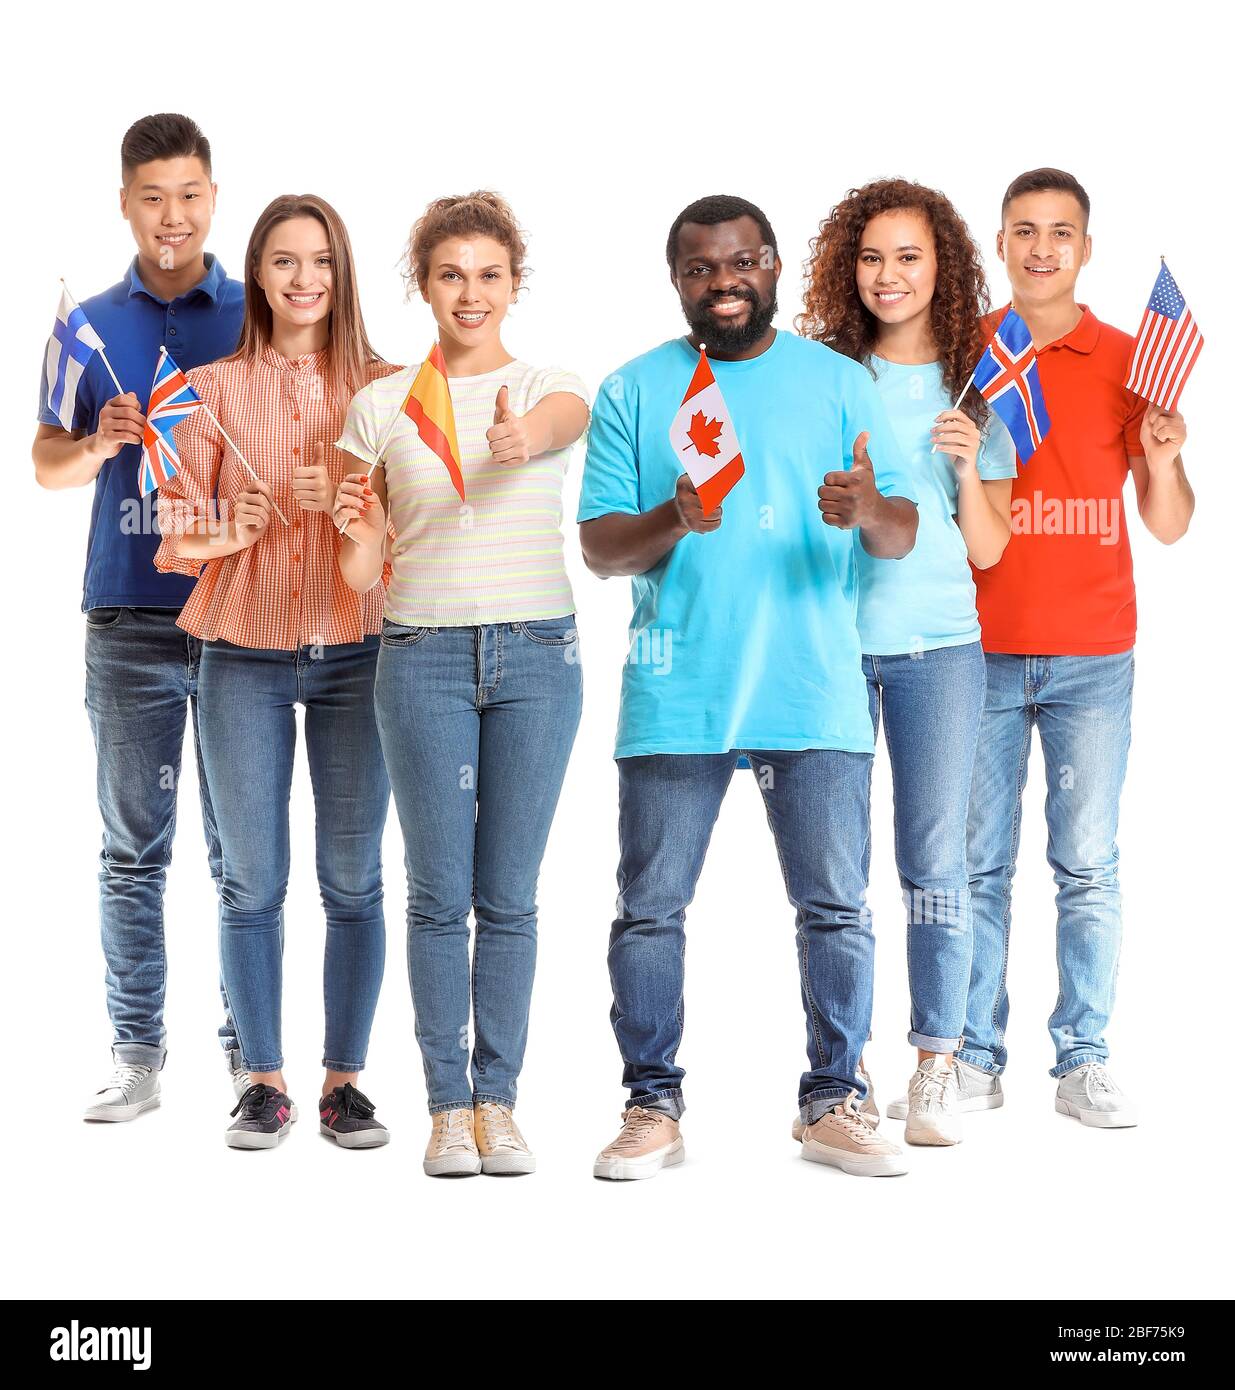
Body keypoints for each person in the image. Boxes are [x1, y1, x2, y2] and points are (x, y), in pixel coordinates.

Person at [578, 193, 920, 1180]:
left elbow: (899, 533)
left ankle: (832, 1100)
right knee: (648, 908)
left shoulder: (837, 382)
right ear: (677, 281)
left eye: (740, 261)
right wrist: (673, 518)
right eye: (698, 268)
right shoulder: (636, 390)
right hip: (676, 692)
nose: (722, 281)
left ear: (770, 265)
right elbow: (600, 549)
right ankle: (650, 1105)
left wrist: (864, 508)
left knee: (833, 907)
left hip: (810, 689)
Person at [335, 192, 589, 1176]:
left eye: (488, 275)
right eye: (450, 275)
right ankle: (447, 1104)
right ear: (424, 287)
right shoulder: (383, 406)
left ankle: (501, 1100)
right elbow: (360, 573)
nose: (470, 292)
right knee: (439, 893)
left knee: (509, 892)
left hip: (535, 655)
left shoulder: (543, 384)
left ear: (513, 284)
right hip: (423, 657)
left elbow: (566, 417)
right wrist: (361, 525)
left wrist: (524, 437)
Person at [154, 194, 400, 1149]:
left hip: (361, 651)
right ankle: (262, 1080)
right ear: (257, 274)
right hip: (241, 655)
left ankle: (345, 1083)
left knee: (354, 879)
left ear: (342, 275)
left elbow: (423, 528)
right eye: (285, 262)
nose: (304, 280)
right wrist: (231, 526)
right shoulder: (205, 389)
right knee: (248, 881)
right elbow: (175, 532)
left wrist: (357, 504)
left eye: (322, 262)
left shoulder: (390, 387)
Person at [961, 169, 1194, 1127]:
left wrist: (1166, 459)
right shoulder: (972, 354)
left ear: (1085, 248)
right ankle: (973, 1054)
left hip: (1095, 654)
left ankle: (1083, 1058)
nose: (1042, 248)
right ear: (1001, 244)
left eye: (1061, 232)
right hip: (975, 648)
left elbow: (1169, 525)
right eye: (1023, 230)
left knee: (1086, 862)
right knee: (975, 864)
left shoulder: (1131, 361)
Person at [33, 113, 246, 1122]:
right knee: (132, 847)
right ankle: (137, 1052)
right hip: (128, 618)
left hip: (241, 611)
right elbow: (44, 461)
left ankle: (254, 1055)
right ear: (126, 202)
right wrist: (97, 444)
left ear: (214, 197)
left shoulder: (252, 312)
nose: (173, 216)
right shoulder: (87, 329)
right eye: (153, 196)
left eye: (190, 195)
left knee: (244, 848)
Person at [799, 178, 1017, 1145]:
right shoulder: (819, 376)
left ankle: (936, 1060)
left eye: (910, 257)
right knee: (834, 875)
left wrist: (968, 465)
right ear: (851, 270)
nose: (889, 276)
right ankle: (837, 1080)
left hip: (939, 650)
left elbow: (988, 550)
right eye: (873, 258)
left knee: (936, 862)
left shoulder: (975, 384)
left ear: (944, 270)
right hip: (833, 649)